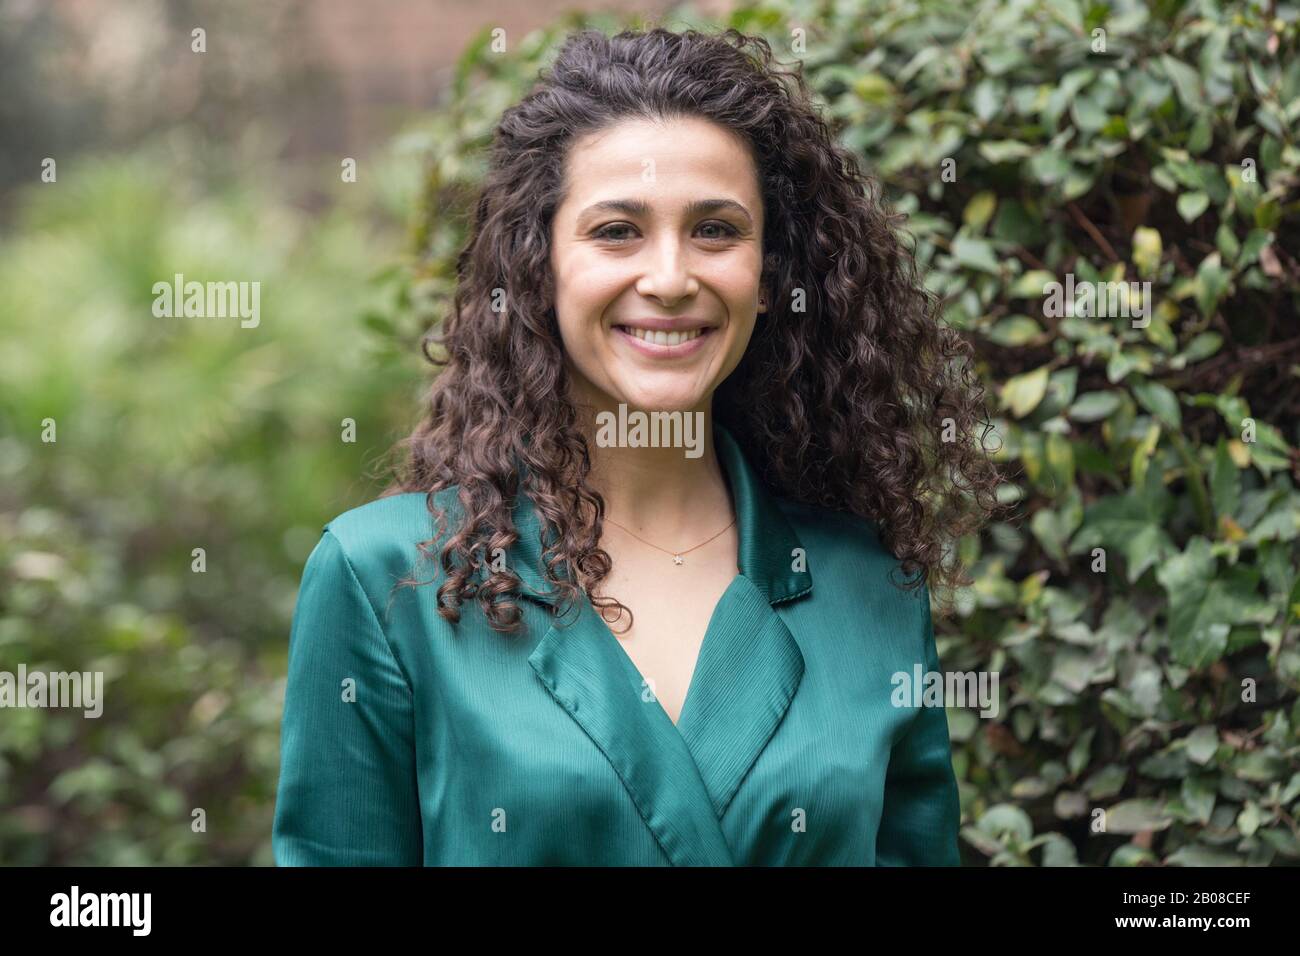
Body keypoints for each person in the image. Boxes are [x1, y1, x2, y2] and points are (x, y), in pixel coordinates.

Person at [272, 26, 1002, 866]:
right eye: (617, 230)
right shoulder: (383, 580)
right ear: (539, 265)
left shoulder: (867, 586)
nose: (668, 277)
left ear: (769, 276)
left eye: (716, 231)